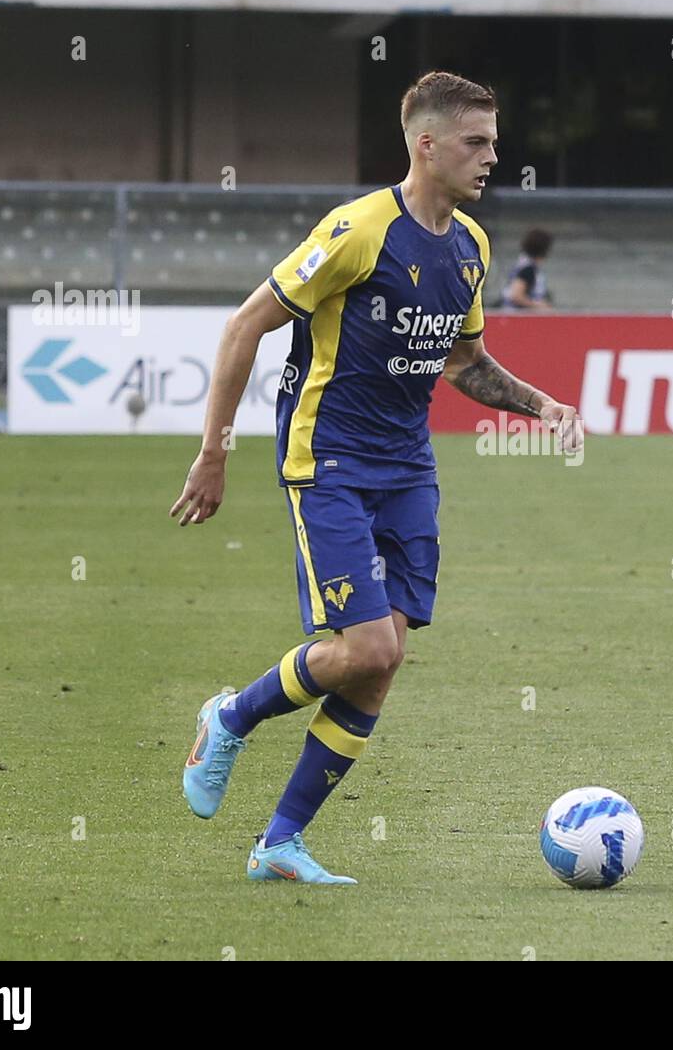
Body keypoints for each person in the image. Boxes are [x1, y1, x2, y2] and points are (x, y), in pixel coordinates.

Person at [170, 71, 583, 885]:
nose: (493, 156)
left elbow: (463, 361)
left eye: (495, 141)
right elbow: (246, 323)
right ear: (426, 144)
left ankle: (279, 843)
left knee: (383, 658)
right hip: (328, 462)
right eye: (477, 141)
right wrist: (214, 449)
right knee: (364, 644)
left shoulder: (471, 244)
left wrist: (540, 402)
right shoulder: (358, 230)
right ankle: (230, 716)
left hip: (407, 468)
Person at [499, 228, 554, 311]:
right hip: (517, 316)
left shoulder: (521, 265)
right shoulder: (528, 269)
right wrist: (540, 306)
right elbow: (516, 295)